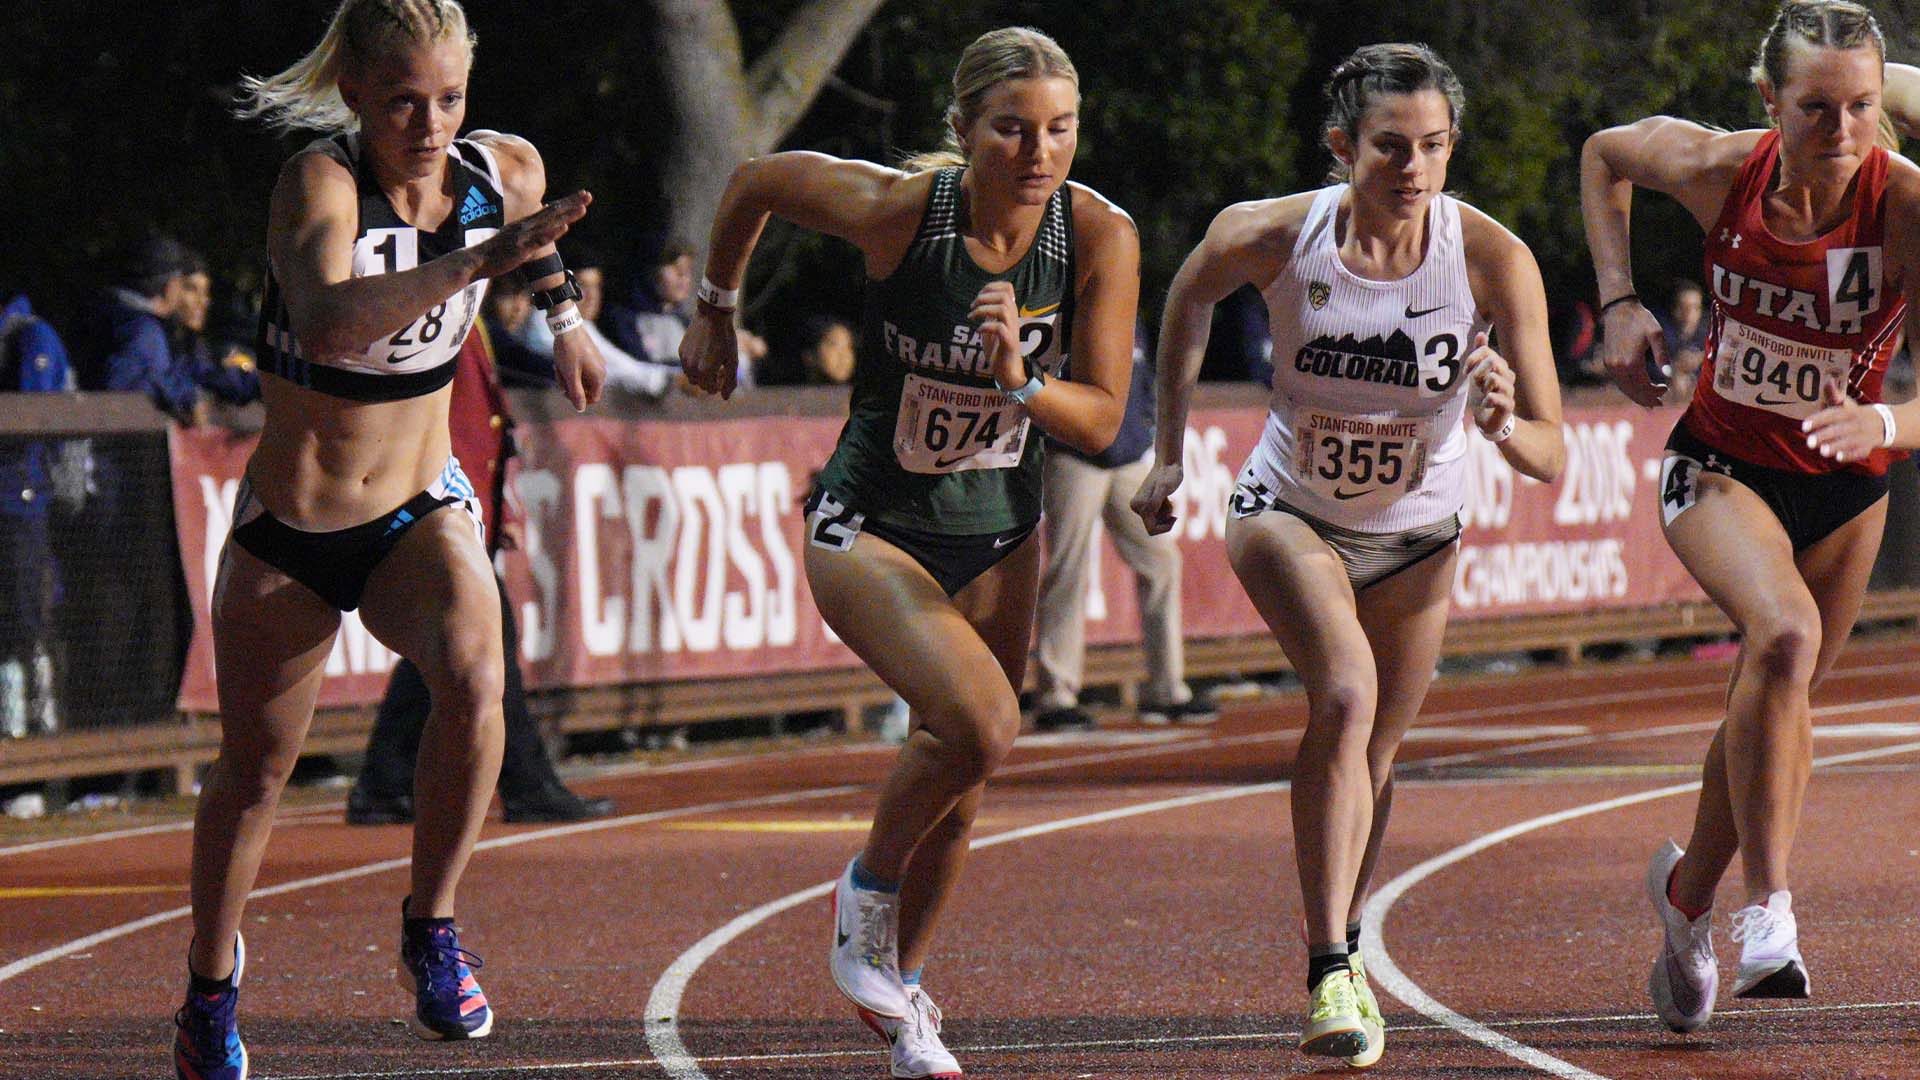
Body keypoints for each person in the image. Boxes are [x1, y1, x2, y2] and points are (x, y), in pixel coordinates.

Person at [681, 26, 1136, 1080]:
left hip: (1002, 530)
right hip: (871, 524)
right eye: (1012, 129)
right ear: (964, 131)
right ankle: (864, 896)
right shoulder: (898, 212)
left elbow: (1106, 420)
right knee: (981, 720)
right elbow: (753, 180)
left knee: (968, 780)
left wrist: (1020, 375)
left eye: (1060, 129)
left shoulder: (1098, 237)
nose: (1038, 152)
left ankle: (903, 1001)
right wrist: (715, 310)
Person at [171, 2, 605, 1078]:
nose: (427, 121)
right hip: (293, 529)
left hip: (417, 507)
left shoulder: (499, 169)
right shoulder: (319, 183)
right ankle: (209, 985)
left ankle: (433, 925)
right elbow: (326, 320)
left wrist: (560, 315)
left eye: (447, 98)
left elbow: (534, 226)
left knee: (475, 669)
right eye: (403, 99)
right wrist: (478, 262)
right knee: (256, 770)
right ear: (356, 93)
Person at [1133, 43, 1565, 1068]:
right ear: (1342, 147)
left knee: (1373, 758)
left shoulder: (1493, 259)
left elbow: (1550, 450)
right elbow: (1189, 300)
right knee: (1344, 694)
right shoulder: (1277, 235)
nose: (1412, 168)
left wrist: (1505, 420)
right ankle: (1327, 964)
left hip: (1420, 537)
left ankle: (1350, 949)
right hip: (1289, 512)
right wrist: (1167, 455)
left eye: (1433, 147)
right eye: (1388, 148)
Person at [1582, 0, 1920, 1035]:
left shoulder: (1904, 204)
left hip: (1846, 481)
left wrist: (1889, 418)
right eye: (1817, 109)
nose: (1842, 131)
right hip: (1718, 465)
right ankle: (1769, 913)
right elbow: (1603, 155)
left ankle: (1685, 905)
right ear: (1769, 101)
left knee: (1773, 702)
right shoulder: (1717, 167)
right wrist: (1621, 300)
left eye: (1862, 106)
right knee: (1782, 636)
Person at [347, 323, 615, 826]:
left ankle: (383, 783)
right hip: (438, 507)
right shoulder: (438, 314)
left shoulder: (469, 318)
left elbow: (482, 423)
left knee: (441, 649)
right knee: (487, 640)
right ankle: (526, 784)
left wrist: (496, 508)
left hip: (463, 503)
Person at [1032, 322, 1213, 731]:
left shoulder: (1132, 317)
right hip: (1073, 454)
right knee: (1068, 568)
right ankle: (1056, 694)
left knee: (1162, 561)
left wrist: (1148, 430)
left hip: (1129, 456)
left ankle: (1168, 688)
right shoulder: (1066, 313)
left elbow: (1146, 376)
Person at [0, 293, 78, 739]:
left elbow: (34, 415)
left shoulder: (30, 335)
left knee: (26, 620)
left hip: (23, 501)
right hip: (11, 501)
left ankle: (34, 737)